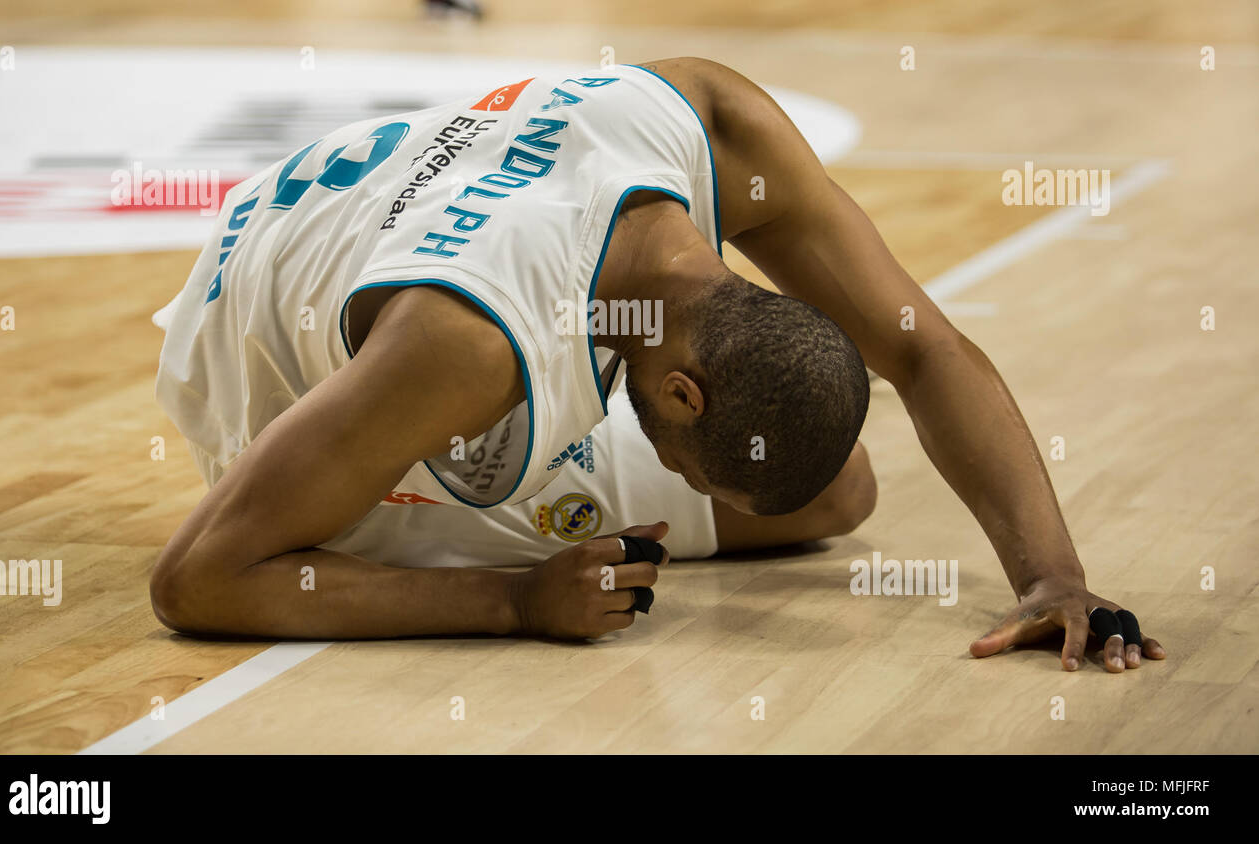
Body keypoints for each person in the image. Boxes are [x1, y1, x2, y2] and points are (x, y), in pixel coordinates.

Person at [149, 57, 1164, 672]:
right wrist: (513, 605)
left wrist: (1051, 577)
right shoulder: (469, 348)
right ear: (679, 392)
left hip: (386, 216)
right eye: (686, 455)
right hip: (257, 339)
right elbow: (197, 581)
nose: (676, 470)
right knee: (287, 549)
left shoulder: (716, 124)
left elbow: (922, 346)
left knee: (828, 491)